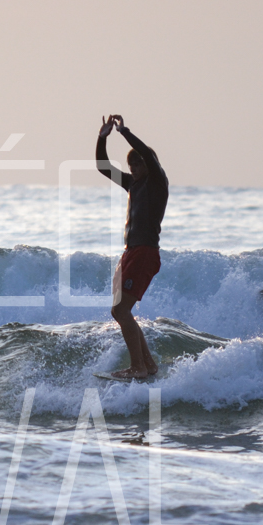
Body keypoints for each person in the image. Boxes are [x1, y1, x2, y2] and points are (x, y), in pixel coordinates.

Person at [96, 114, 168, 379]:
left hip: (145, 252)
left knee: (120, 310)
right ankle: (147, 365)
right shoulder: (133, 184)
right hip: (131, 252)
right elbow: (103, 167)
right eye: (131, 164)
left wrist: (124, 132)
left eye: (138, 163)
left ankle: (137, 367)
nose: (135, 167)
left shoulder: (157, 182)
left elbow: (148, 157)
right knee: (121, 311)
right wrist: (102, 137)